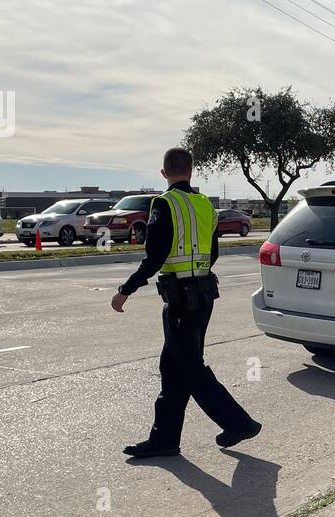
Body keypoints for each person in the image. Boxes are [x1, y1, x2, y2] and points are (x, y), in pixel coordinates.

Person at [110, 148, 261, 457]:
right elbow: (213, 253)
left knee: (190, 368)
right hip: (204, 295)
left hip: (180, 300)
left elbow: (155, 257)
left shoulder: (163, 204)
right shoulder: (205, 205)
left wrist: (126, 289)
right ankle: (164, 438)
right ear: (191, 171)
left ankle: (239, 422)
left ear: (164, 173)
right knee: (172, 366)